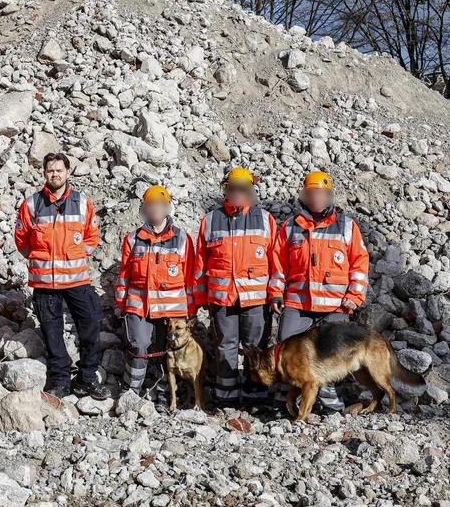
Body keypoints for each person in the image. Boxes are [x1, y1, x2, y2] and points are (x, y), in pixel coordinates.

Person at [267, 170, 370, 413]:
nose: (317, 199)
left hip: (335, 306)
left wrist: (354, 297)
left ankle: (329, 405)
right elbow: (279, 264)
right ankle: (288, 401)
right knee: (287, 350)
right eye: (312, 194)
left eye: (322, 194)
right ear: (304, 195)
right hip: (298, 304)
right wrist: (276, 294)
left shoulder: (346, 226)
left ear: (330, 196)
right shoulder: (291, 227)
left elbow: (359, 263)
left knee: (331, 357)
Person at [15, 152, 103, 399]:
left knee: (90, 325)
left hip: (77, 281)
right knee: (52, 334)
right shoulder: (31, 204)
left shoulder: (83, 203)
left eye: (59, 170)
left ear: (68, 172)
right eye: (50, 170)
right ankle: (61, 380)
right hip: (45, 283)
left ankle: (87, 378)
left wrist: (76, 258)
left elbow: (91, 237)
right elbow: (22, 241)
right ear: (44, 173)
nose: (55, 174)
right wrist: (40, 261)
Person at [196, 168, 276, 408]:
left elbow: (277, 261)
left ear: (251, 191)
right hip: (222, 300)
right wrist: (201, 298)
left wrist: (275, 295)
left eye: (243, 189)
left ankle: (256, 396)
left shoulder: (265, 219)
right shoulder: (211, 220)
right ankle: (226, 397)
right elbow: (200, 263)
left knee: (256, 348)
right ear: (226, 190)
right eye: (233, 189)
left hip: (256, 300)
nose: (238, 193)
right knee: (225, 346)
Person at [115, 186, 199, 403]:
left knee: (166, 350)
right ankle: (131, 392)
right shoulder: (133, 239)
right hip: (139, 305)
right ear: (144, 208)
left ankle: (163, 393)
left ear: (167, 207)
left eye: (160, 205)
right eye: (151, 205)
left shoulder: (182, 239)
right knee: (139, 345)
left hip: (171, 310)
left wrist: (190, 309)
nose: (155, 209)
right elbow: (124, 274)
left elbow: (191, 277)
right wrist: (122, 302)